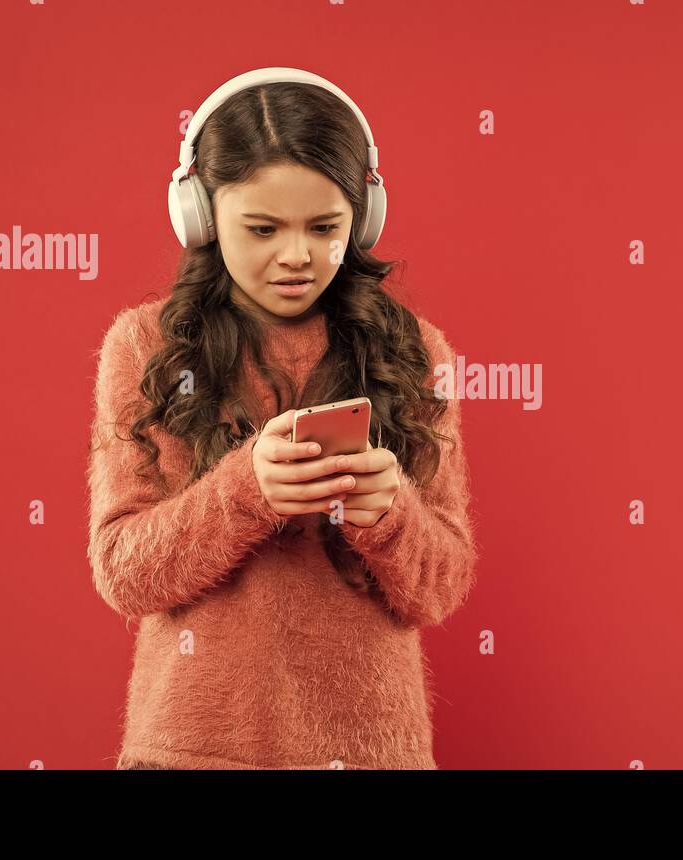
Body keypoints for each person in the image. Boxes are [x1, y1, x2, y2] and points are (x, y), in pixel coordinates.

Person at [86, 73, 479, 769]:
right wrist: (245, 491)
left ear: (362, 218)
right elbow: (124, 573)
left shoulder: (413, 352)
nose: (297, 255)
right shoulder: (146, 348)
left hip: (368, 754)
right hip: (192, 751)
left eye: (324, 227)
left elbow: (440, 588)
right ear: (201, 217)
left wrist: (389, 513)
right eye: (262, 228)